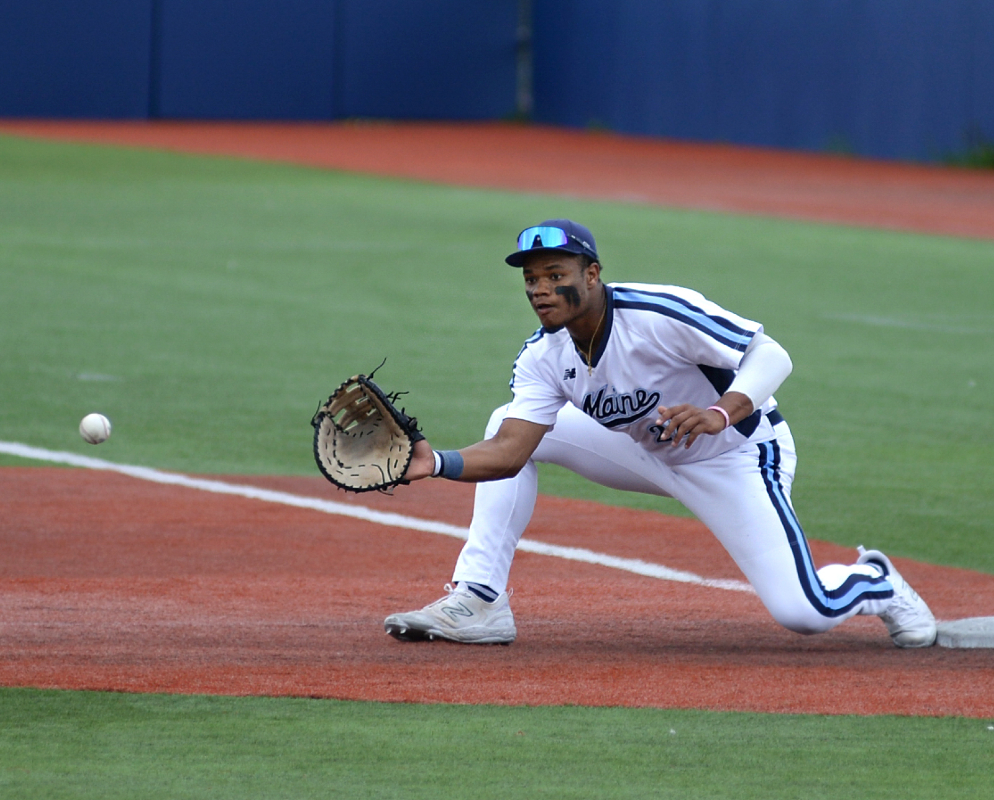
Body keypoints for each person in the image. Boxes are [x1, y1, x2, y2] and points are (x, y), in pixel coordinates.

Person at [386, 219, 937, 648]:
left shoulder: (656, 313)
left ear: (592, 274)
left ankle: (877, 580)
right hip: (644, 450)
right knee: (504, 421)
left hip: (735, 456)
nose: (541, 289)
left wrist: (721, 411)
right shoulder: (543, 356)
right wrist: (436, 463)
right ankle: (480, 599)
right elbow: (510, 452)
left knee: (804, 612)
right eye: (532, 279)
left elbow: (772, 355)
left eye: (556, 275)